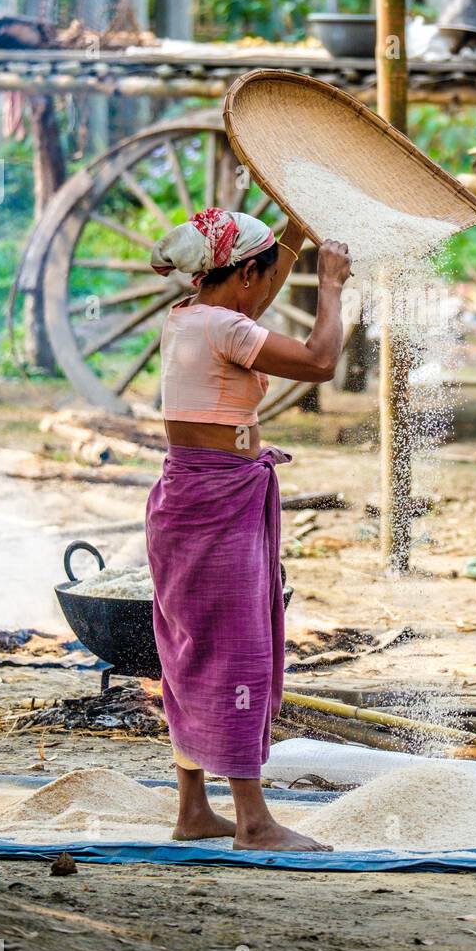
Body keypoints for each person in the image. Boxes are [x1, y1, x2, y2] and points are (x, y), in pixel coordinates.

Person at [145, 206, 351, 850]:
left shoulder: (190, 317)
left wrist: (289, 229)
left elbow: (249, 308)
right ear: (242, 279)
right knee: (237, 652)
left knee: (190, 650)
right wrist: (332, 285)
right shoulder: (225, 328)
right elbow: (319, 361)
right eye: (264, 277)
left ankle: (193, 812)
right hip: (218, 500)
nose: (266, 290)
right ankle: (255, 821)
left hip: (188, 495)